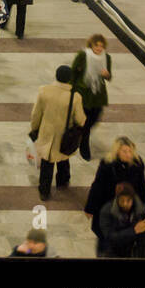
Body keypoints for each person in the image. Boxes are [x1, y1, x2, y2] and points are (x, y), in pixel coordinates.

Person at [84, 136, 145, 252]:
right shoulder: (107, 165)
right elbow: (97, 187)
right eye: (125, 151)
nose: (128, 154)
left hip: (128, 207)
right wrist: (90, 208)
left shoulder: (137, 165)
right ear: (117, 151)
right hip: (108, 205)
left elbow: (142, 187)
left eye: (130, 151)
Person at [30, 65, 86, 200]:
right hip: (65, 136)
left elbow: (36, 114)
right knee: (63, 157)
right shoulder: (75, 97)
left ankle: (44, 191)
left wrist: (35, 128)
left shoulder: (44, 91)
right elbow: (81, 119)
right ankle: (63, 181)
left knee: (47, 163)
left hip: (47, 133)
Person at [98, 183, 145, 258]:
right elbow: (109, 238)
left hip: (143, 254)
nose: (125, 204)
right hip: (116, 254)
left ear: (133, 199)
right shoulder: (107, 212)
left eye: (128, 200)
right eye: (122, 200)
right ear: (117, 199)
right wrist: (134, 231)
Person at [70, 33, 113, 161]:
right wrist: (71, 91)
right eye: (96, 45)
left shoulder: (107, 58)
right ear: (91, 45)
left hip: (97, 94)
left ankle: (80, 134)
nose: (99, 48)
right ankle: (84, 147)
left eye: (101, 46)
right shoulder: (83, 55)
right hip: (83, 93)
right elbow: (73, 73)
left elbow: (109, 77)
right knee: (85, 121)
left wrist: (106, 75)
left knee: (94, 118)